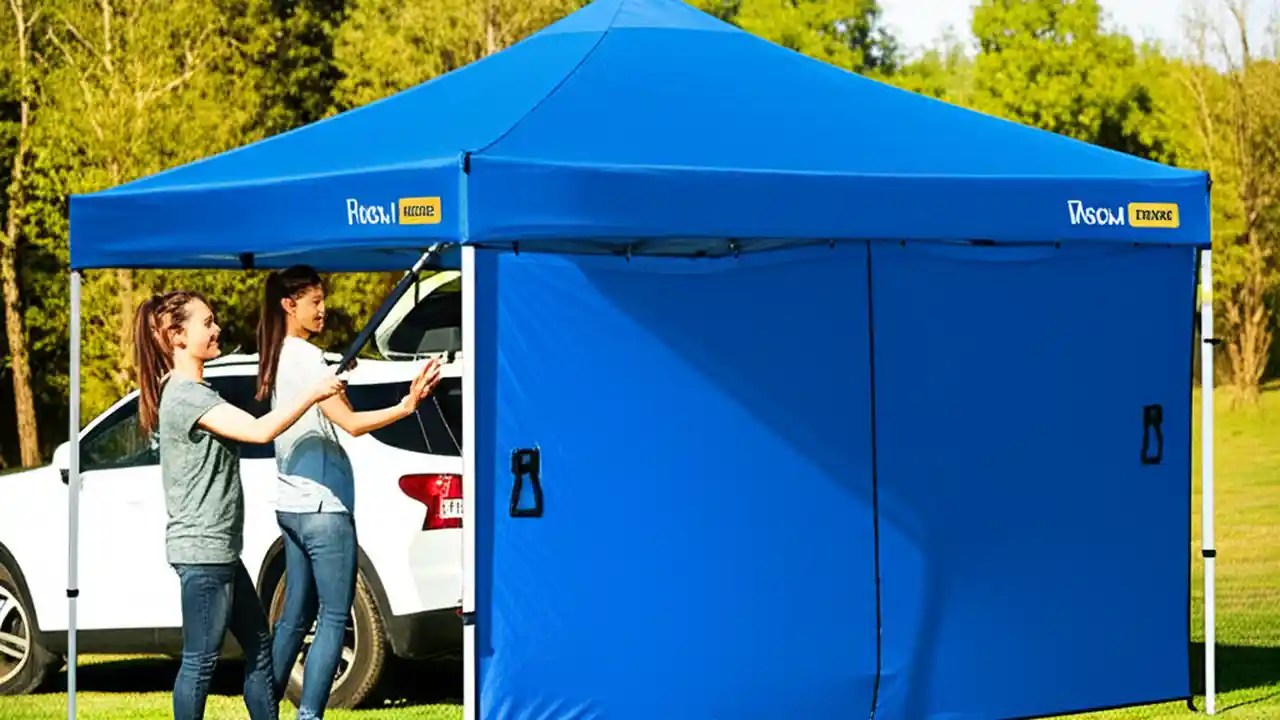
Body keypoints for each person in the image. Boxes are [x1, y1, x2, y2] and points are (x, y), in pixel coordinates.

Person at [134, 290, 344, 720]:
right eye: (207, 323)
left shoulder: (195, 389)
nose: (217, 329)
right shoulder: (187, 395)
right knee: (200, 660)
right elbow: (259, 431)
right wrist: (312, 392)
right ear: (177, 335)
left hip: (221, 551)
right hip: (203, 552)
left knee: (260, 648)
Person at [255, 265, 440, 719]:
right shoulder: (306, 359)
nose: (323, 310)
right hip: (324, 507)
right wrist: (407, 404)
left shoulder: (279, 355)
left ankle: (263, 710)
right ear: (289, 304)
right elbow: (353, 424)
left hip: (292, 505)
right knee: (335, 616)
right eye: (314, 302)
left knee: (295, 615)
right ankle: (310, 714)